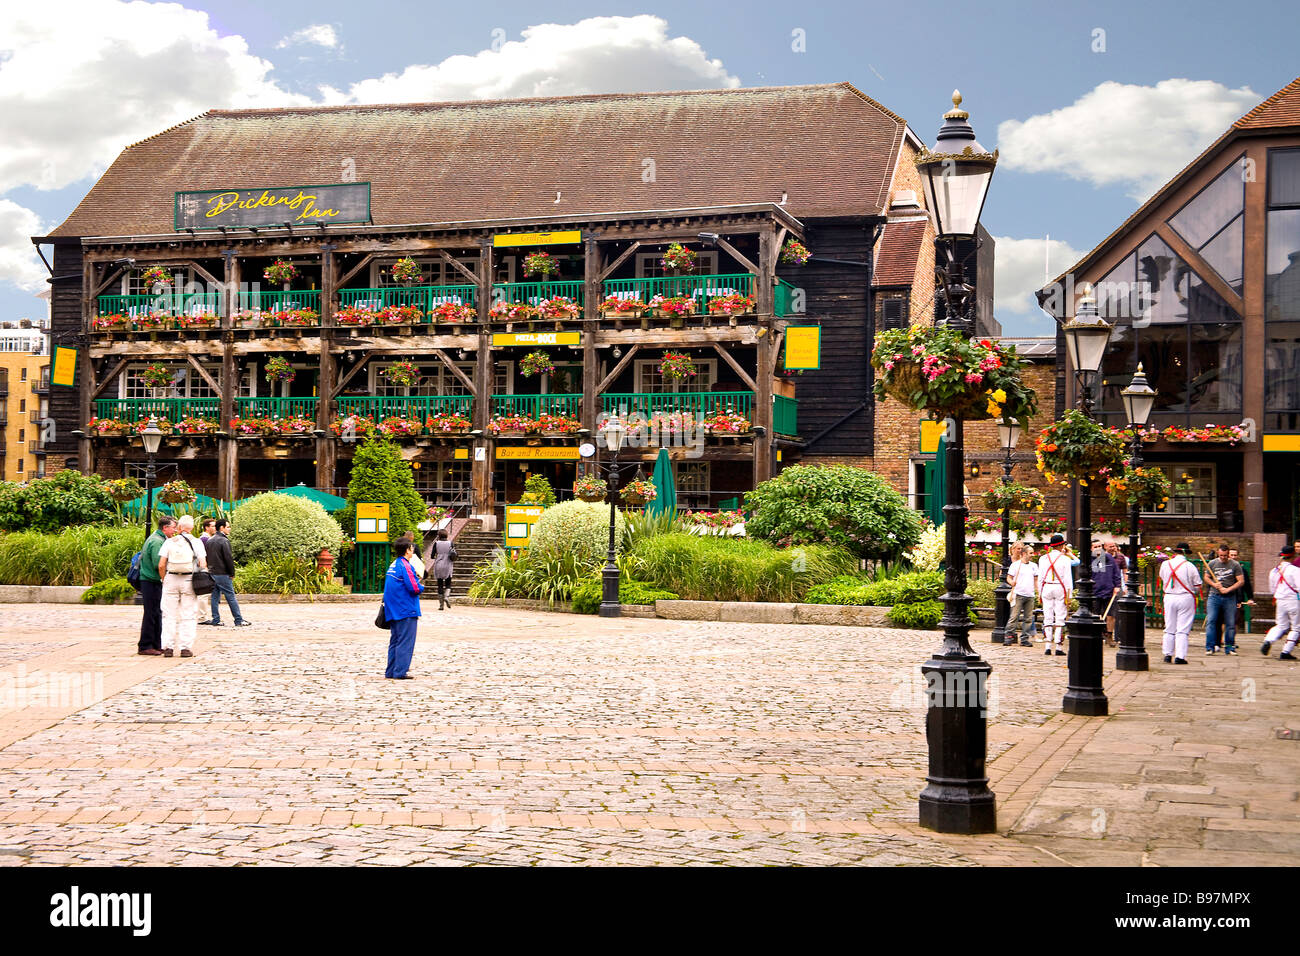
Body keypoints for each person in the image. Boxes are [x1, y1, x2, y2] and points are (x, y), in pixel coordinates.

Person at [157, 514, 208, 659]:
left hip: (171, 578)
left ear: (179, 527)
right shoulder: (197, 542)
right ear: (192, 528)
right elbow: (202, 563)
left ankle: (168, 647)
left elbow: (161, 564)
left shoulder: (169, 542)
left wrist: (164, 579)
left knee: (169, 615)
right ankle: (185, 648)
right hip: (189, 580)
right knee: (189, 615)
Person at [383, 536, 424, 679]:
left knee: (395, 641)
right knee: (406, 641)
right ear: (408, 550)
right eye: (411, 548)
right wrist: (422, 586)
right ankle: (400, 672)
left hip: (393, 609)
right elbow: (414, 587)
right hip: (406, 609)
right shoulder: (406, 566)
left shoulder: (393, 564)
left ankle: (391, 671)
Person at [136, 517, 176, 656]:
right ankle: (145, 645)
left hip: (150, 580)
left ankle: (155, 644)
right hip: (151, 580)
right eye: (173, 527)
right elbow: (158, 564)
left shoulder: (157, 538)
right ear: (165, 528)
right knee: (151, 613)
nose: (174, 530)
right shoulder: (158, 542)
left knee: (156, 613)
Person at [201, 518, 250, 628]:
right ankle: (238, 619)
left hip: (212, 572)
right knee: (230, 596)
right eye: (228, 527)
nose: (230, 529)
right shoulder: (224, 541)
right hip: (222, 573)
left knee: (214, 597)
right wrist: (232, 573)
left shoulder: (210, 540)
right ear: (222, 528)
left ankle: (216, 619)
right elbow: (228, 559)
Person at [1159, 543, 1201, 665]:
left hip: (1169, 597)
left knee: (1169, 627)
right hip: (1185, 597)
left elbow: (1162, 578)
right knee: (1182, 629)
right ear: (1186, 553)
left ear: (1175, 552)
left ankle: (1167, 654)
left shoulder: (1165, 564)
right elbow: (1197, 585)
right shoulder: (1190, 566)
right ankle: (1180, 656)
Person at [1202, 543, 1245, 655]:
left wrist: (1228, 589)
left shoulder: (1235, 565)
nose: (1223, 558)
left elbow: (1241, 581)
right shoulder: (1212, 563)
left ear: (1228, 554)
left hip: (1229, 597)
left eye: (1225, 556)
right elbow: (1206, 577)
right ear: (1218, 553)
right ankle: (1210, 647)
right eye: (1221, 555)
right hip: (1214, 596)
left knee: (1230, 623)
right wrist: (1214, 584)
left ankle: (1230, 647)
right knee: (1211, 621)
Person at [1261, 545, 1300, 660]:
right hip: (1293, 600)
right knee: (1296, 627)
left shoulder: (1274, 570)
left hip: (1279, 600)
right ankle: (1285, 652)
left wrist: (1277, 596)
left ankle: (1268, 640)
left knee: (1281, 625)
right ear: (1293, 556)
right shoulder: (1296, 570)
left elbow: (1272, 588)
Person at [1037, 534, 1073, 657]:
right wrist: (1070, 596)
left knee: (1047, 616)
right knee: (1060, 616)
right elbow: (1068, 579)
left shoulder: (1043, 559)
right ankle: (1058, 646)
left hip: (1046, 586)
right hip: (1060, 587)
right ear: (1062, 545)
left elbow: (1040, 578)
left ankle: (1047, 646)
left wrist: (1039, 593)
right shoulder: (1065, 559)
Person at [1091, 540, 1123, 646]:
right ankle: (1097, 635)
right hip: (1095, 591)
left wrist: (1117, 586)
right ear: (1091, 548)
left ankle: (1109, 635)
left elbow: (1116, 572)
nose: (1098, 548)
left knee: (1111, 615)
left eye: (1099, 546)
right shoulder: (1090, 559)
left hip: (1109, 590)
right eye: (1095, 547)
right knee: (1096, 615)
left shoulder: (1109, 558)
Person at [1005, 542, 1037, 647]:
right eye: (1030, 553)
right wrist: (1011, 582)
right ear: (1024, 554)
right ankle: (1009, 637)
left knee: (1028, 618)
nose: (1032, 555)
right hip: (1018, 594)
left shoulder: (1034, 566)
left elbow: (1036, 580)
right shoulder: (1015, 565)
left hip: (1030, 595)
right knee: (1014, 616)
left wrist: (1037, 591)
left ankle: (1024, 639)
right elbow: (1008, 577)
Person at [195, 518, 217, 623]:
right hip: (203, 569)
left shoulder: (207, 539)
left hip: (205, 568)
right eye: (212, 526)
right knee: (203, 594)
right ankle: (201, 617)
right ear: (206, 527)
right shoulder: (204, 539)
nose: (215, 528)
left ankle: (202, 616)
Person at [430, 529, 456, 610]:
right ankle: (446, 597)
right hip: (448, 565)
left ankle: (441, 606)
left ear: (439, 535)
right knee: (448, 583)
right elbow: (453, 553)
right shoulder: (450, 543)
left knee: (440, 584)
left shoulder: (436, 543)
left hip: (439, 564)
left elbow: (432, 556)